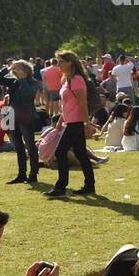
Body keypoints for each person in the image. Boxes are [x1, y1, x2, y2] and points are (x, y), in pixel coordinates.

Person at [46, 51, 95, 198]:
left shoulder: (77, 80)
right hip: (71, 122)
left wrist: (87, 123)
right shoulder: (67, 80)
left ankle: (61, 187)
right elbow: (66, 105)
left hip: (77, 122)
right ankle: (89, 185)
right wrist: (61, 121)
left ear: (70, 63)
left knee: (60, 152)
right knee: (80, 154)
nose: (58, 64)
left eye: (61, 61)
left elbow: (82, 103)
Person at [0, 60, 41, 184]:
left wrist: (23, 79)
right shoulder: (13, 81)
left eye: (18, 68)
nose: (16, 71)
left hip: (26, 117)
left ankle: (33, 173)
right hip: (12, 116)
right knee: (18, 146)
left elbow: (28, 96)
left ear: (26, 70)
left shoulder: (32, 82)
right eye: (15, 69)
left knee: (30, 145)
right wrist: (7, 68)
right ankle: (21, 174)